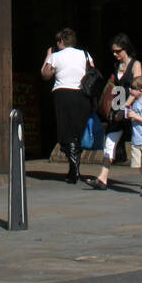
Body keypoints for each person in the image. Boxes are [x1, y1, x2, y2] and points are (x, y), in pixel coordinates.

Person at [84, 33, 141, 191]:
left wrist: (125, 107)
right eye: (113, 52)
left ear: (126, 49)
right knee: (109, 142)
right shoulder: (117, 67)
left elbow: (137, 88)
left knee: (140, 144)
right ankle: (102, 178)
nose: (115, 55)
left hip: (132, 110)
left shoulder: (135, 65)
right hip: (117, 109)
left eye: (117, 51)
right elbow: (115, 88)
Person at [41, 28, 93, 184]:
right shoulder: (85, 54)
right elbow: (92, 71)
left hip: (63, 93)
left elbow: (45, 75)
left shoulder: (56, 56)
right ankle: (74, 167)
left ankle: (74, 167)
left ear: (61, 41)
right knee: (77, 130)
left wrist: (48, 57)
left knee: (65, 131)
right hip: (82, 94)